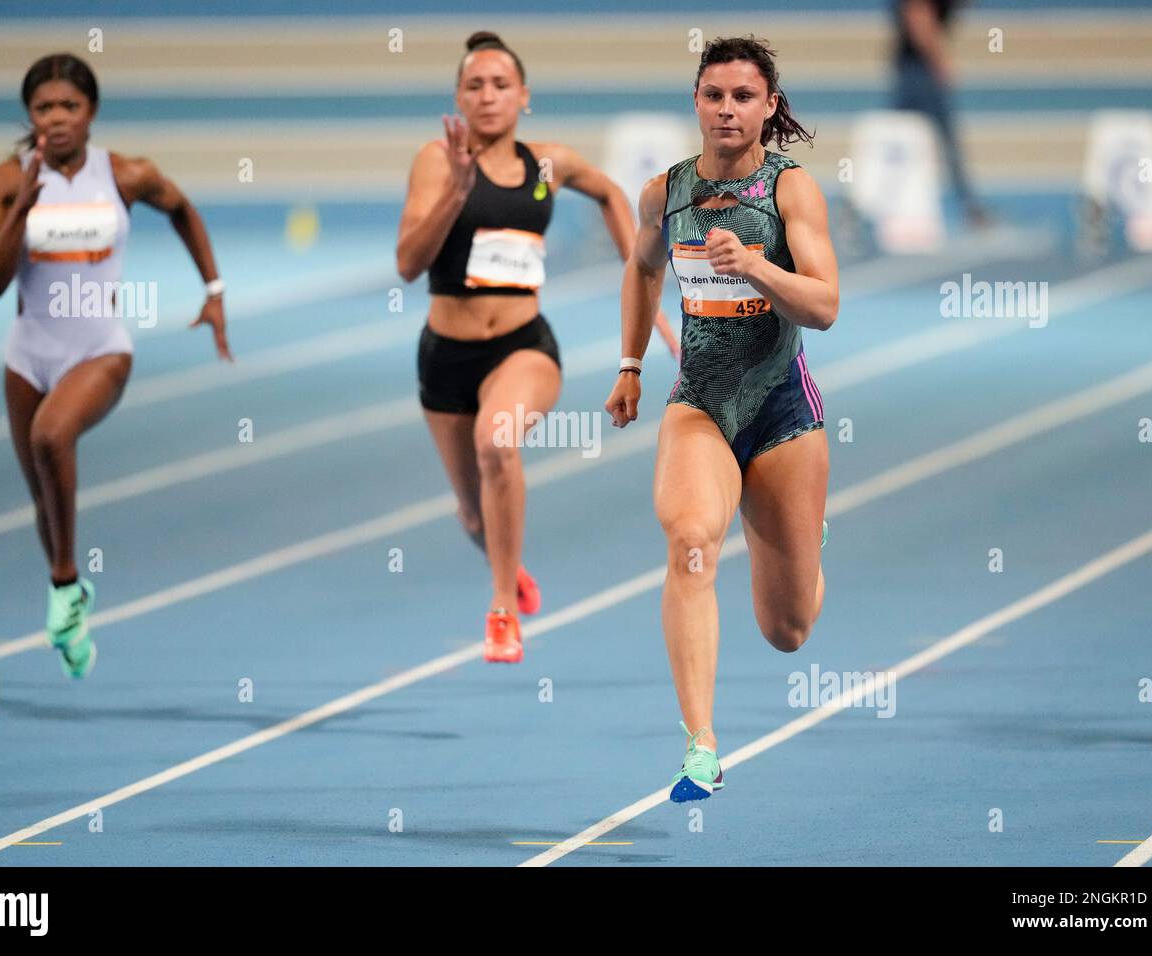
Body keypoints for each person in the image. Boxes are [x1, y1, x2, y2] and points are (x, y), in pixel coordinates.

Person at [605, 36, 838, 801]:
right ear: (697, 102)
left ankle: (806, 553)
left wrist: (758, 267)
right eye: (714, 95)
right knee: (691, 542)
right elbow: (640, 271)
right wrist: (632, 365)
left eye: (744, 96)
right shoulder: (663, 194)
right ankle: (700, 743)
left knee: (788, 629)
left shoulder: (791, 190)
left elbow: (826, 307)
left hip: (780, 410)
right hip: (699, 403)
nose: (728, 109)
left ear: (769, 107)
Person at [396, 31, 678, 664]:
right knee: (475, 517)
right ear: (458, 97)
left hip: (524, 347)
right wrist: (457, 193)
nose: (488, 96)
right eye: (475, 85)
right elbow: (408, 264)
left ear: (524, 97)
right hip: (445, 356)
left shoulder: (547, 163)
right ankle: (508, 564)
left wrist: (643, 282)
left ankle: (501, 610)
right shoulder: (436, 162)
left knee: (498, 441)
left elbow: (611, 193)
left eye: (501, 85)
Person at [0, 53, 231, 678]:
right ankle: (70, 602)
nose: (57, 119)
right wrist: (21, 209)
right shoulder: (4, 181)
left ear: (91, 112)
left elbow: (181, 208)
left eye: (70, 106)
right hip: (27, 354)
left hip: (100, 348)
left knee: (52, 435)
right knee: (44, 492)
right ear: (29, 116)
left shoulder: (126, 174)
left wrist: (214, 290)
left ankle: (65, 581)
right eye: (44, 108)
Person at [893, 0, 989, 225]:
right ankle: (970, 206)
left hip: (914, 67)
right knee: (942, 140)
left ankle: (859, 207)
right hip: (918, 71)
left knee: (897, 137)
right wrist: (940, 61)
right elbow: (917, 17)